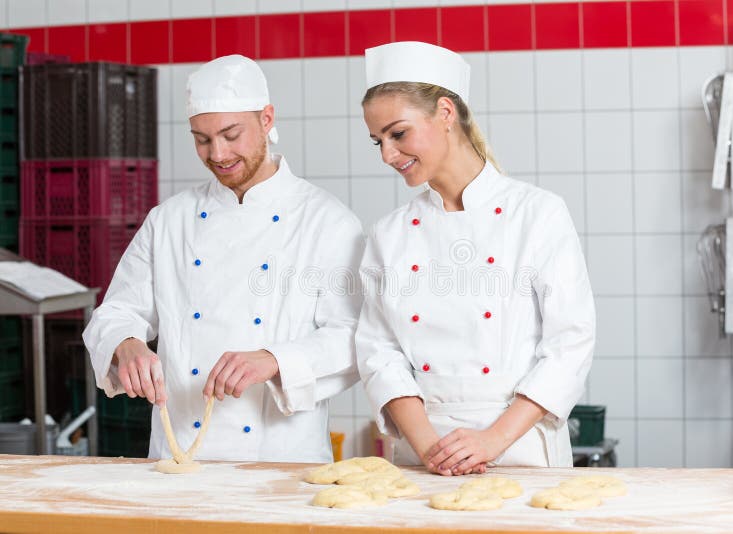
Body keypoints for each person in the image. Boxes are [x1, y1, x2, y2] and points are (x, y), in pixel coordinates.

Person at [83, 55, 364, 463]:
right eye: (202, 138)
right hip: (178, 456)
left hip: (281, 462)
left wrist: (274, 359)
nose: (218, 153)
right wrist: (125, 344)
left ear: (267, 119)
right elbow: (116, 311)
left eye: (232, 134)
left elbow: (353, 336)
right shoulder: (169, 221)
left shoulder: (327, 220)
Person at [355, 42, 595, 476]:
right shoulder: (388, 234)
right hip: (423, 459)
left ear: (445, 113)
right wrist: (431, 448)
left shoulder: (537, 214)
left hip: (521, 451)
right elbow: (379, 353)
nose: (388, 155)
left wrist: (492, 440)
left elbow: (570, 343)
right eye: (378, 141)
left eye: (398, 134)